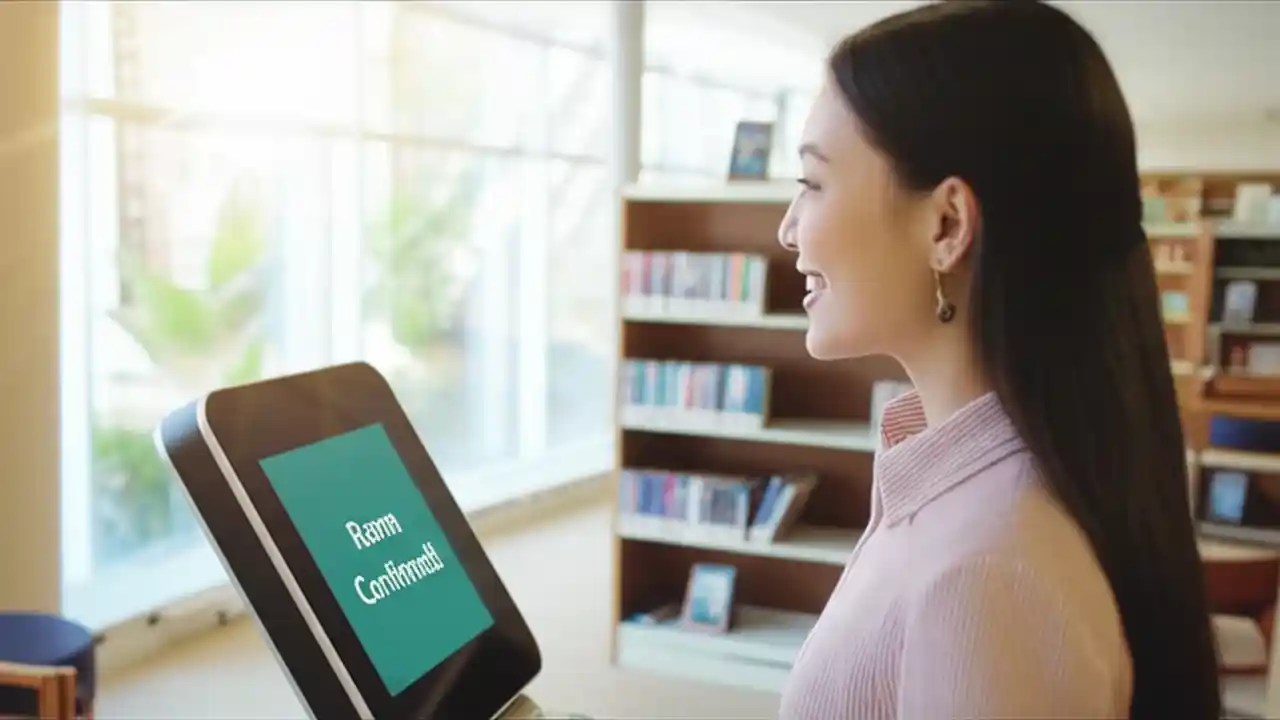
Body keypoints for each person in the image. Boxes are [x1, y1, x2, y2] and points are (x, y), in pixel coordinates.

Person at [774, 2, 1220, 719]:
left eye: (813, 183)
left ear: (947, 224)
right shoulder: (961, 489)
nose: (788, 228)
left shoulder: (986, 575)